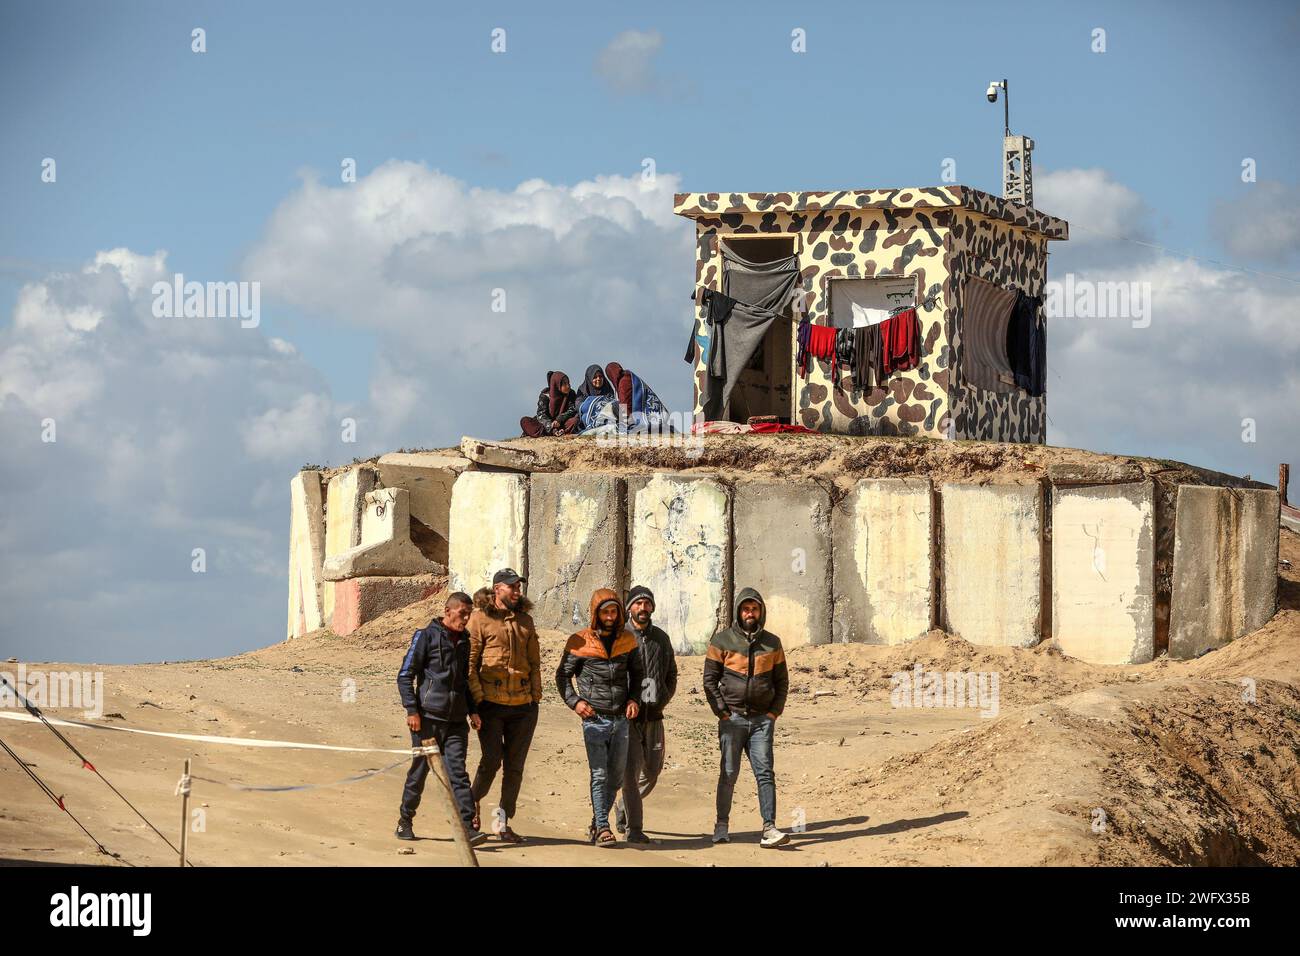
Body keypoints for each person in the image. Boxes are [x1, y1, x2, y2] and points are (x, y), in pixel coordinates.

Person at [394, 592, 487, 845]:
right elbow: (405, 676)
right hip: (427, 720)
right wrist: (412, 710)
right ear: (448, 611)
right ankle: (405, 820)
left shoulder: (465, 640)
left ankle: (468, 827)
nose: (466, 619)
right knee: (419, 772)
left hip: (456, 722)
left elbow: (462, 681)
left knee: (458, 772)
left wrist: (472, 710)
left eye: (469, 614)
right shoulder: (425, 636)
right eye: (462, 614)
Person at [702, 587, 791, 849]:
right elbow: (709, 681)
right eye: (745, 609)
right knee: (728, 773)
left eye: (754, 609)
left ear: (760, 612)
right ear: (738, 612)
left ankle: (769, 828)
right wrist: (722, 712)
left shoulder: (772, 643)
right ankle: (721, 825)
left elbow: (782, 681)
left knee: (765, 773)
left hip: (762, 720)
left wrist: (774, 712)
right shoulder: (722, 641)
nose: (749, 613)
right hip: (733, 721)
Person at [555, 588, 644, 848]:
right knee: (599, 774)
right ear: (596, 613)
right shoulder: (579, 641)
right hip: (594, 718)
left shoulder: (628, 640)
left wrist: (634, 700)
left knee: (616, 776)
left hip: (621, 719)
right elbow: (562, 676)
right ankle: (604, 828)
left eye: (613, 611)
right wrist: (576, 702)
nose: (609, 616)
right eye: (605, 611)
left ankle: (597, 820)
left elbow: (638, 675)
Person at [467, 568, 542, 844]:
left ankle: (503, 819)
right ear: (497, 589)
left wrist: (535, 696)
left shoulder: (526, 621)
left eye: (518, 587)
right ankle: (471, 801)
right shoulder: (479, 619)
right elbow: (470, 664)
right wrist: (476, 700)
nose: (517, 591)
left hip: (523, 706)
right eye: (511, 587)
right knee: (491, 760)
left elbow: (535, 662)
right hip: (490, 704)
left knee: (515, 766)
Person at [613, 585, 677, 844]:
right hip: (629, 718)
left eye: (647, 604)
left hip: (654, 715)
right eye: (638, 604)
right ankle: (634, 830)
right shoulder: (620, 637)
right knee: (630, 772)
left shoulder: (661, 638)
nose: (643, 608)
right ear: (629, 608)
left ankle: (622, 807)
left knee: (651, 771)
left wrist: (664, 696)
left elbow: (671, 672)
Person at [603, 362, 670, 432]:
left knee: (614, 406)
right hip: (657, 414)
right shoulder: (630, 377)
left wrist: (625, 423)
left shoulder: (623, 382)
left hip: (645, 417)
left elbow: (624, 404)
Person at [520, 370, 581, 437]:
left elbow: (572, 409)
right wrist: (551, 426)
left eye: (568, 383)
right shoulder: (545, 395)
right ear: (556, 384)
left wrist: (560, 419)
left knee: (574, 421)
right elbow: (541, 414)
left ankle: (562, 432)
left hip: (561, 424)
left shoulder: (571, 394)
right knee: (525, 421)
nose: (568, 386)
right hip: (545, 426)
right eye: (564, 384)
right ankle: (551, 432)